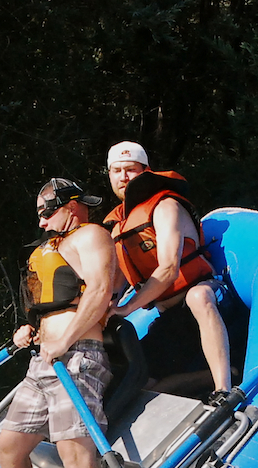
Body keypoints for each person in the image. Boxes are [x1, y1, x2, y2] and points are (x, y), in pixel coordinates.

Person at [0, 178, 116, 468]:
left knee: (76, 457)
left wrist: (64, 339)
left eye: (46, 212)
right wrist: (29, 329)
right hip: (43, 361)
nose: (42, 222)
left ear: (72, 205)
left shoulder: (91, 235)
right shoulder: (51, 246)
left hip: (78, 357)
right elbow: (48, 302)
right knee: (9, 450)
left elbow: (99, 290)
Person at [102, 141, 232, 401]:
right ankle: (209, 377)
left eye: (131, 169)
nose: (123, 177)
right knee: (142, 384)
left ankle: (224, 389)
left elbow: (170, 269)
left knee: (198, 297)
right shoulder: (117, 226)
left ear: (145, 171)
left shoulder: (165, 207)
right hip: (171, 318)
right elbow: (113, 286)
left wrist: (128, 308)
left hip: (209, 296)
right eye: (117, 171)